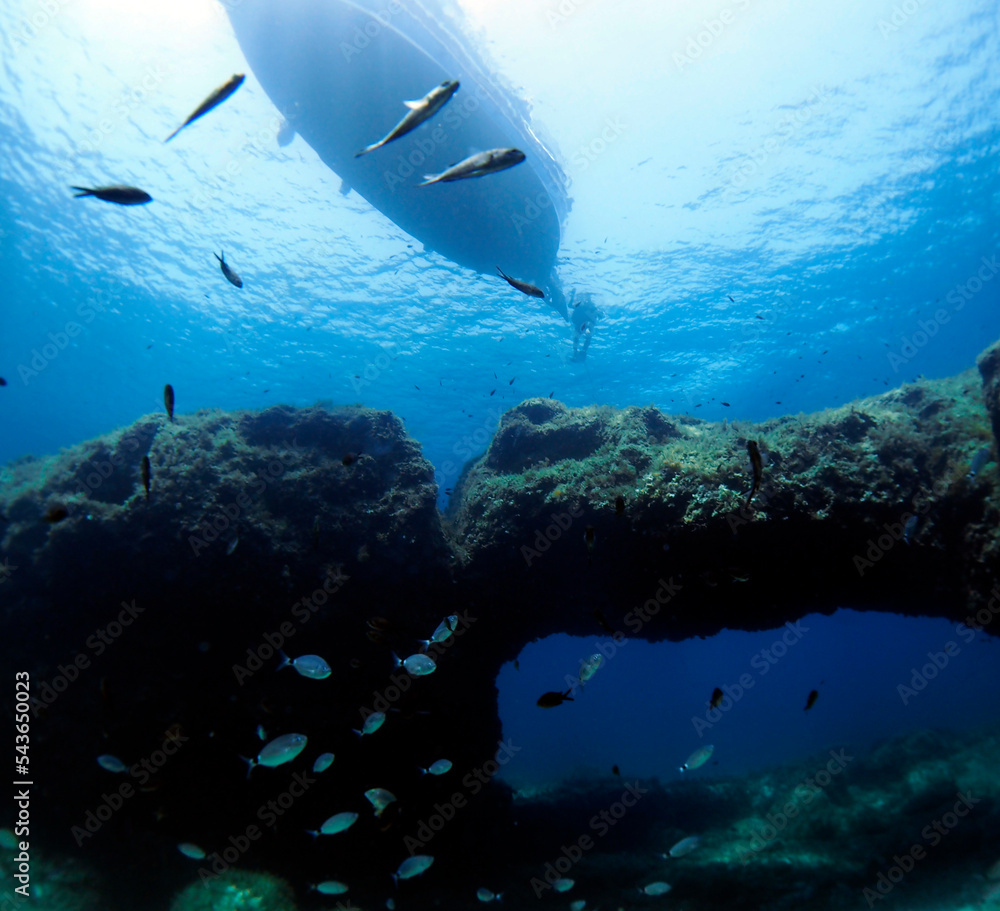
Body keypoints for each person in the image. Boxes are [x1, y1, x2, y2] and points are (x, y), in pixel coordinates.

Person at [570, 291, 602, 361]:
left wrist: (572, 295)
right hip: (581, 323)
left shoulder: (589, 307)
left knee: (583, 336)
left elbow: (570, 305)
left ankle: (579, 352)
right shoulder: (583, 307)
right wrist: (572, 295)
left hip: (583, 323)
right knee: (581, 337)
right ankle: (578, 353)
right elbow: (570, 305)